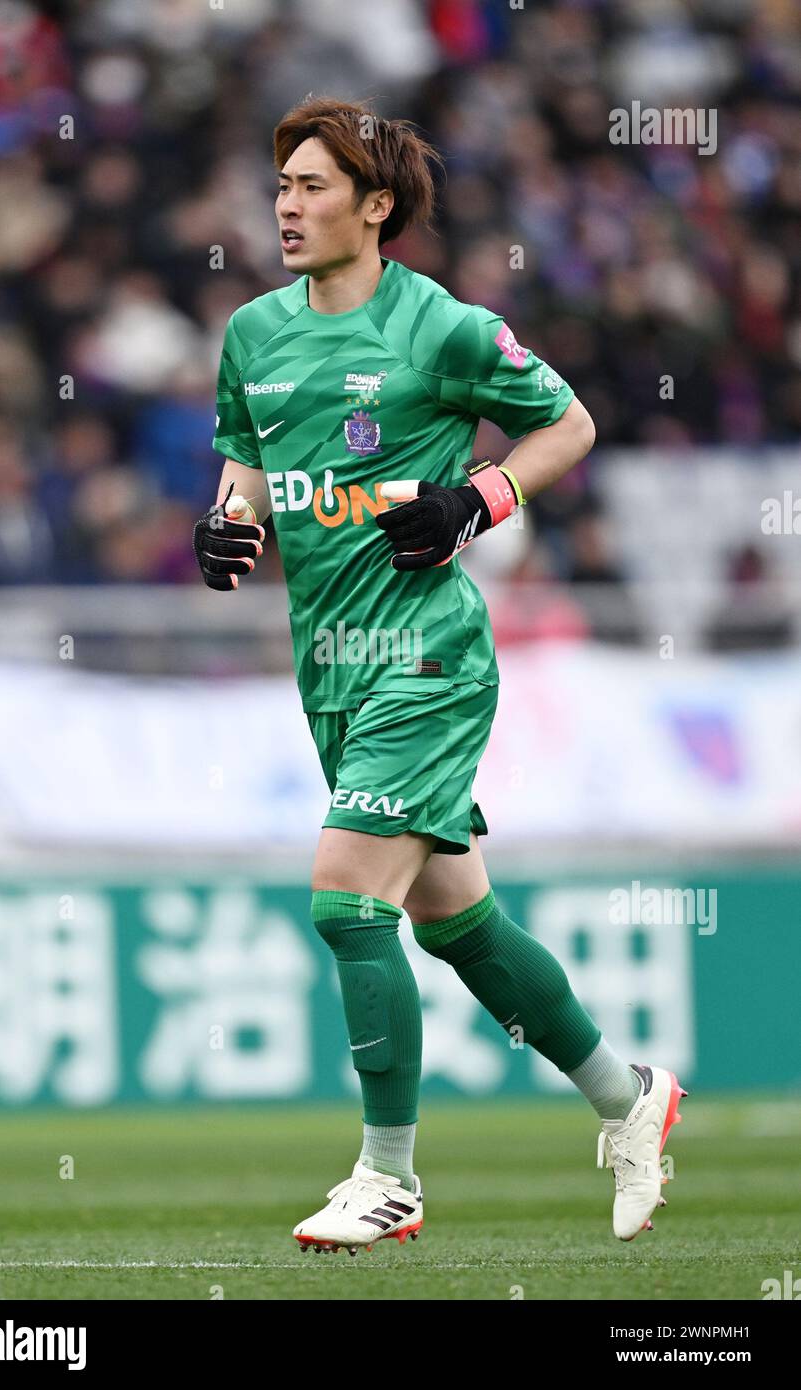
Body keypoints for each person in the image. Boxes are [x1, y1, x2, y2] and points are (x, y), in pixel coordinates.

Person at [194, 97, 686, 1254]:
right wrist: (223, 525)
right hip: (332, 668)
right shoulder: (253, 336)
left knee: (343, 899)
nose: (286, 204)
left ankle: (389, 1174)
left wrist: (478, 497)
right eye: (281, 185)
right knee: (454, 922)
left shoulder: (444, 329)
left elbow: (565, 425)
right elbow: (245, 469)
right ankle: (627, 1097)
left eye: (313, 186)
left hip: (429, 660)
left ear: (375, 208)